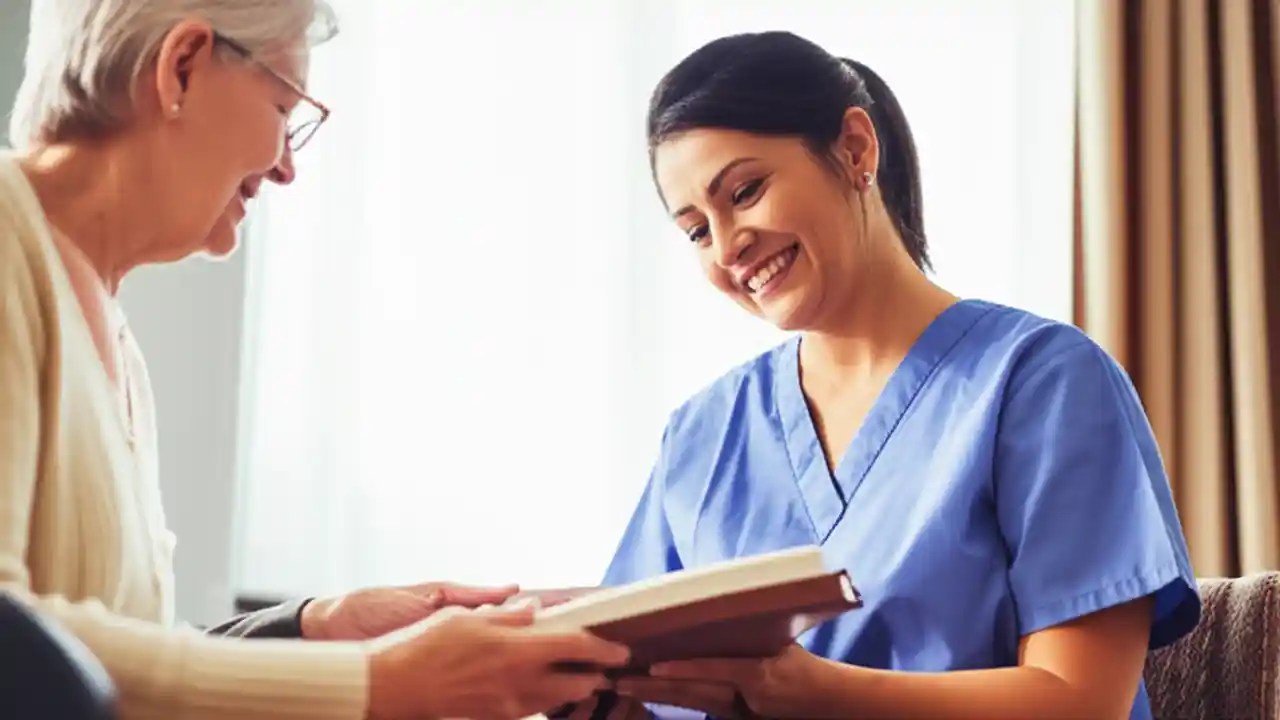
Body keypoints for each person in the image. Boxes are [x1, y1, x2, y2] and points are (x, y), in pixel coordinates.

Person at [0, 1, 629, 718]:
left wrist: (318, 630)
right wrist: (376, 682)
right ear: (182, 67)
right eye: (284, 105)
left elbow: (115, 661)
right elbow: (15, 645)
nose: (288, 168)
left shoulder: (114, 342)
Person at [580, 31, 1201, 720]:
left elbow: (1081, 702)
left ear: (854, 149)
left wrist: (811, 693)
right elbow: (637, 686)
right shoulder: (702, 435)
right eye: (697, 231)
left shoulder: (1041, 383)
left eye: (746, 191)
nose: (728, 248)